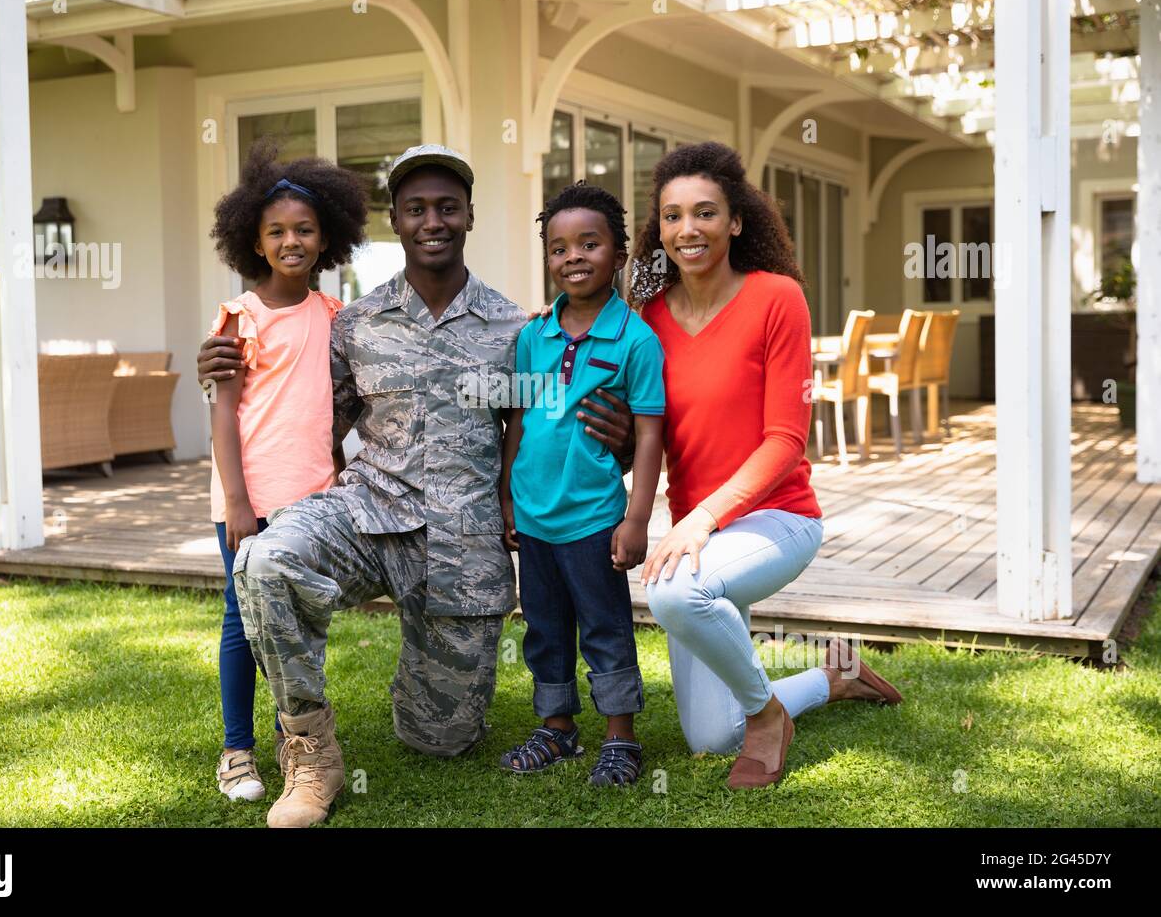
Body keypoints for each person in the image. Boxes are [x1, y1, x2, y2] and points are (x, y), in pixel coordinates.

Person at [196, 146, 640, 827]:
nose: (431, 220)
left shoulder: (514, 328)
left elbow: (548, 425)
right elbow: (306, 411)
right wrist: (224, 375)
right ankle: (310, 750)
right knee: (268, 560)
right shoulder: (355, 322)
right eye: (415, 209)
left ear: (468, 217)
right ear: (394, 222)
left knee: (437, 738)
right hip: (371, 516)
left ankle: (423, 671)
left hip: (464, 549)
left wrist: (626, 440)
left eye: (446, 207)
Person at [630, 142, 903, 789]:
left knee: (672, 591)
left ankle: (766, 718)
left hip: (776, 521)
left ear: (736, 221)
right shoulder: (649, 320)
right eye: (671, 217)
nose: (687, 229)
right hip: (703, 532)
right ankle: (831, 677)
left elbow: (785, 440)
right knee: (710, 736)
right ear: (658, 228)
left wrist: (699, 519)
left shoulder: (776, 298)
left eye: (704, 213)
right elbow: (643, 428)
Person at [206, 142, 367, 803]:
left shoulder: (333, 317)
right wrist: (239, 500)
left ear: (325, 236)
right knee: (241, 623)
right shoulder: (239, 319)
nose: (292, 241)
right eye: (277, 232)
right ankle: (237, 750)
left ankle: (297, 737)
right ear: (255, 240)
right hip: (250, 501)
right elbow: (223, 414)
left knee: (296, 624)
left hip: (312, 504)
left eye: (304, 229)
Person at [498, 182, 665, 786]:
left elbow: (648, 436)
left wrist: (638, 517)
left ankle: (621, 737)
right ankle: (558, 728)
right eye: (558, 247)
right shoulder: (532, 337)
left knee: (604, 625)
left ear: (619, 254)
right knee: (544, 627)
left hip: (594, 517)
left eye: (589, 244)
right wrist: (507, 496)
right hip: (535, 519)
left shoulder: (637, 341)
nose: (573, 257)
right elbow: (518, 418)